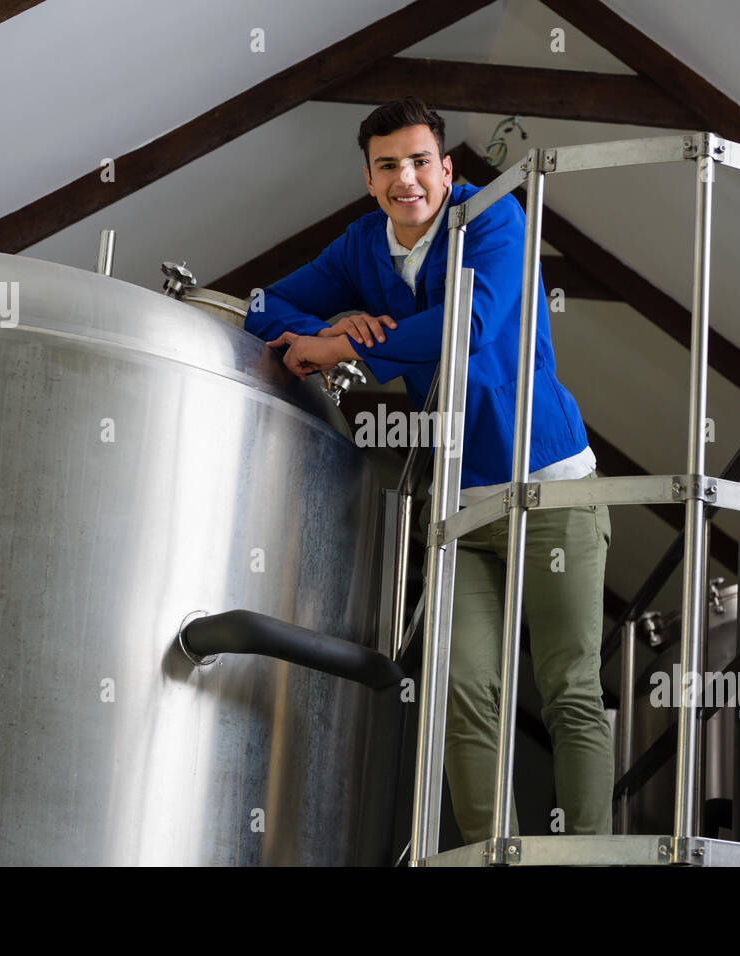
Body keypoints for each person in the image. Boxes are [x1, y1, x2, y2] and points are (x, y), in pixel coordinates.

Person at [244, 97, 612, 845]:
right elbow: (263, 304)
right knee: (465, 691)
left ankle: (587, 860)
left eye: (420, 162)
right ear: (370, 179)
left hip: (554, 485)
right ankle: (487, 860)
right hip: (461, 507)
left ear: (447, 169)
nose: (405, 178)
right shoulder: (360, 247)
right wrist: (324, 325)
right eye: (388, 166)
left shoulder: (496, 220)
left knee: (569, 689)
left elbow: (465, 330)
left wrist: (342, 350)